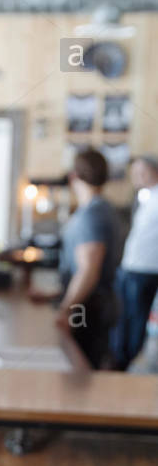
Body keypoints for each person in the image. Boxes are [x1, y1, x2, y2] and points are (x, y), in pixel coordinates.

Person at [55, 148, 122, 369]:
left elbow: (88, 271)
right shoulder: (104, 208)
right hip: (95, 304)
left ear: (74, 176)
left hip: (88, 308)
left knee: (81, 373)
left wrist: (66, 309)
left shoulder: (92, 214)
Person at [111, 154, 158, 370]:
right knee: (124, 317)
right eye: (134, 172)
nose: (137, 177)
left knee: (136, 318)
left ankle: (126, 360)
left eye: (142, 172)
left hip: (145, 269)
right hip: (131, 267)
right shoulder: (144, 196)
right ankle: (121, 358)